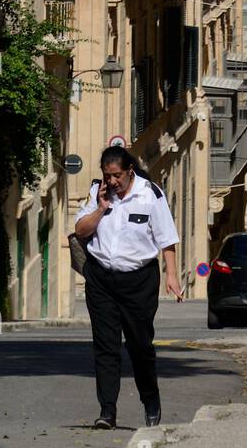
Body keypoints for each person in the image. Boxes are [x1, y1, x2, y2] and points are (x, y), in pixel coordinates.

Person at [75, 145, 183, 429]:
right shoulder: (98, 192)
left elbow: (167, 240)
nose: (112, 182)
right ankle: (107, 411)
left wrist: (171, 275)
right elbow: (81, 230)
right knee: (105, 346)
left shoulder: (150, 195)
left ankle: (150, 398)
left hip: (139, 281)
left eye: (117, 176)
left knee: (140, 346)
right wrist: (100, 209)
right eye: (107, 176)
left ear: (129, 171)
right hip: (101, 279)